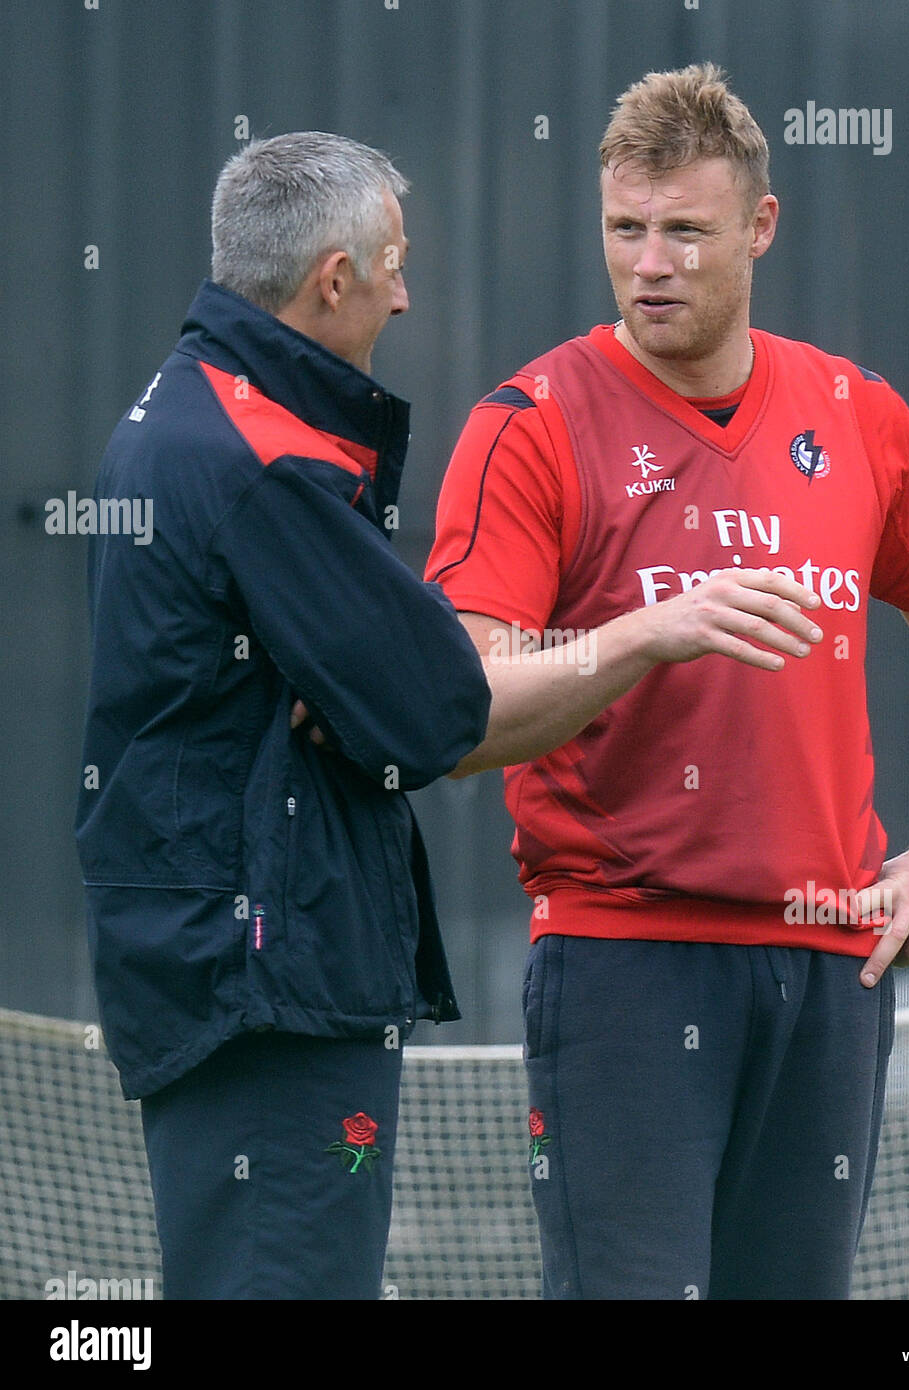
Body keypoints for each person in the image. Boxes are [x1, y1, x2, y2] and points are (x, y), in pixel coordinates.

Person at [425, 65, 909, 1299]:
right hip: (624, 963)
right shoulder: (529, 421)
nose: (649, 262)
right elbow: (464, 701)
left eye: (685, 230)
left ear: (759, 227)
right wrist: (645, 633)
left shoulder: (857, 412)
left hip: (830, 963)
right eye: (624, 229)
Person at [74, 132, 490, 1300]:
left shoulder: (184, 408)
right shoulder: (264, 459)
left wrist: (356, 685)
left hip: (216, 961)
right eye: (395, 265)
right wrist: (651, 636)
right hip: (270, 984)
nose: (408, 295)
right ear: (334, 278)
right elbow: (439, 708)